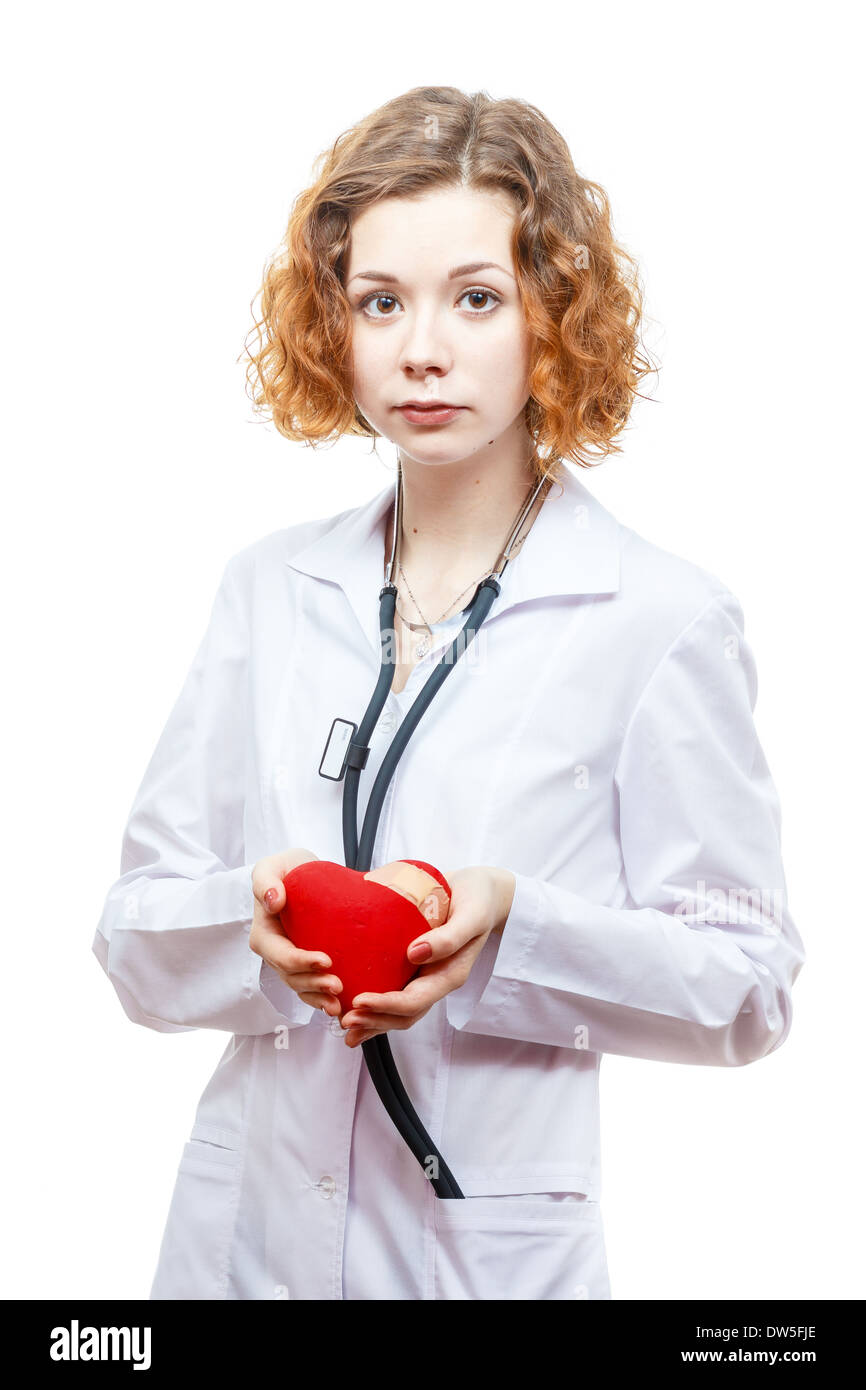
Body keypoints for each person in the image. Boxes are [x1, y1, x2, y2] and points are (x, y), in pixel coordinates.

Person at [92, 85, 805, 1301]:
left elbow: (746, 988)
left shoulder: (657, 618)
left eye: (475, 298)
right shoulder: (270, 589)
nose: (421, 347)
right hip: (237, 1250)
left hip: (478, 1257)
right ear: (336, 326)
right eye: (380, 301)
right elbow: (132, 934)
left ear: (552, 313)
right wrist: (252, 931)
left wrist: (510, 929)